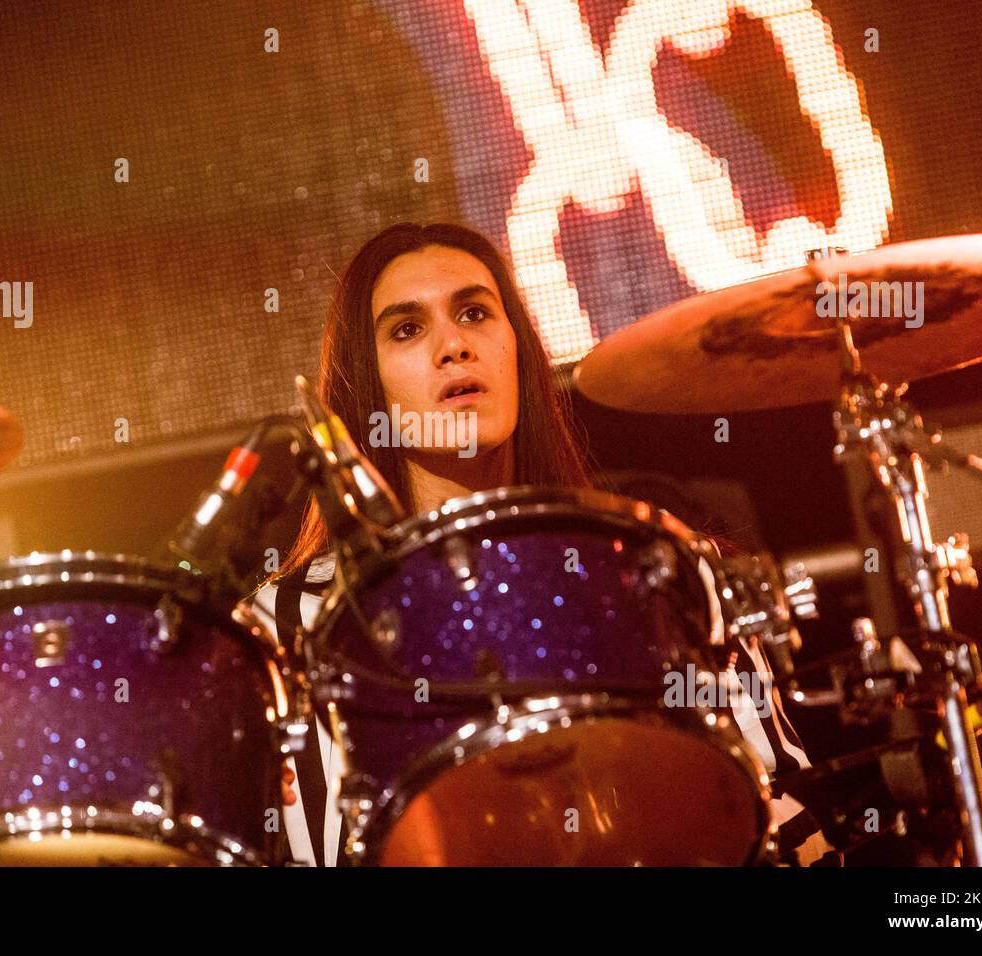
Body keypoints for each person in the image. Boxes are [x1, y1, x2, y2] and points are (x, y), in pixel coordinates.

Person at [250, 221, 834, 866]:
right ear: (367, 387)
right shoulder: (284, 627)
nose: (453, 345)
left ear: (519, 351)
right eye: (407, 329)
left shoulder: (663, 573)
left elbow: (790, 832)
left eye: (475, 312)